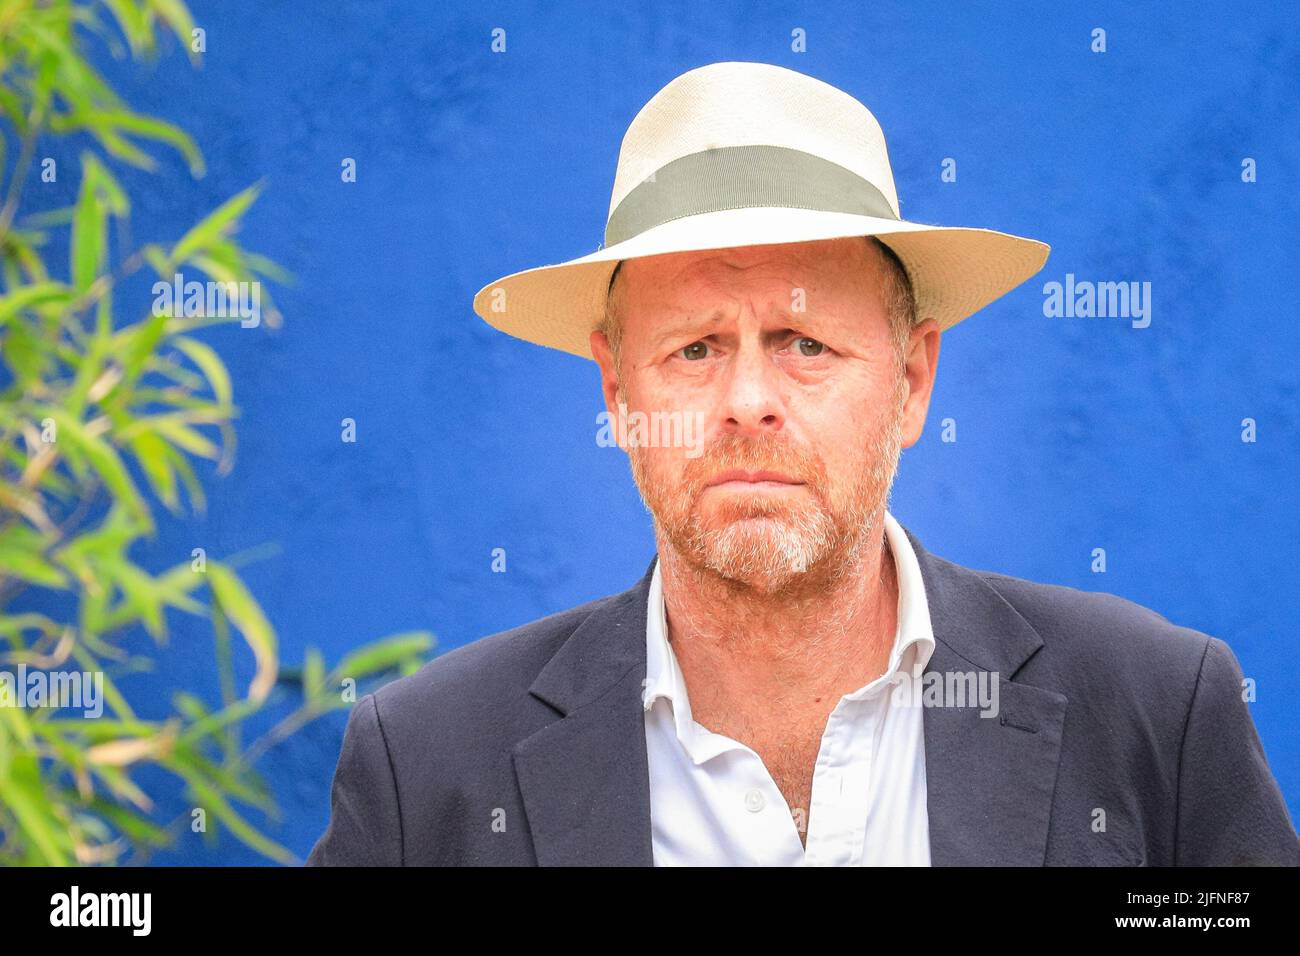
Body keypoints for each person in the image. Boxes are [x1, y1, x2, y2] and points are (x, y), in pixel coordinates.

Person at [307, 61, 1299, 866]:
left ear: (912, 379)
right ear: (616, 393)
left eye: (803, 341)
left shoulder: (1153, 711)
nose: (746, 401)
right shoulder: (426, 768)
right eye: (694, 348)